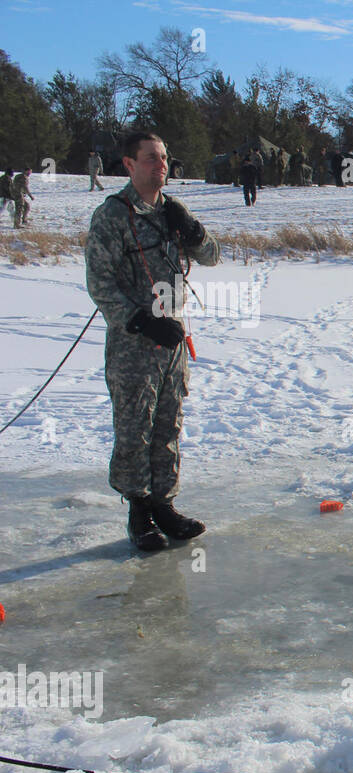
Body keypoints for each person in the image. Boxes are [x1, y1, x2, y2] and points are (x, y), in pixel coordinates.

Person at [84, 130, 220, 552]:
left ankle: (165, 504)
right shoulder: (112, 216)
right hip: (135, 343)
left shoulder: (172, 212)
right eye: (150, 158)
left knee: (167, 425)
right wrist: (141, 322)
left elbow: (212, 255)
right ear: (129, 164)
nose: (160, 164)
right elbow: (100, 285)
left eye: (163, 157)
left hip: (173, 340)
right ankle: (139, 511)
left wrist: (193, 230)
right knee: (134, 429)